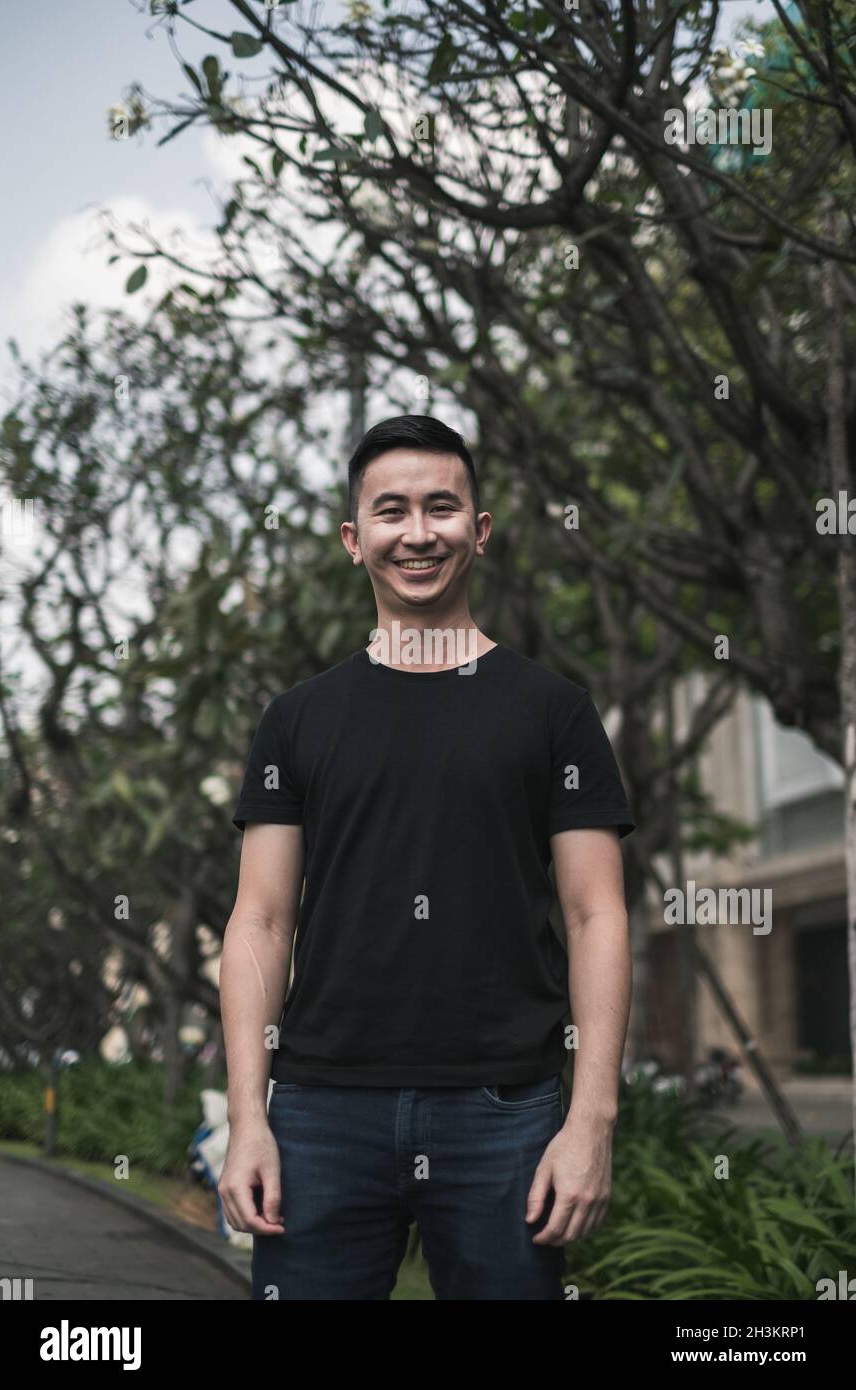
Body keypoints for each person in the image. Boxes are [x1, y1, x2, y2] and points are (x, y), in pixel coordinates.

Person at [218, 415, 636, 1300]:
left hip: (506, 1112)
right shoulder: (297, 720)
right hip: (321, 1113)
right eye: (391, 511)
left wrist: (591, 1120)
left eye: (441, 508)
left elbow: (596, 913)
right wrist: (248, 1117)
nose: (418, 533)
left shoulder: (553, 710)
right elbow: (260, 918)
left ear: (478, 530)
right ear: (353, 538)